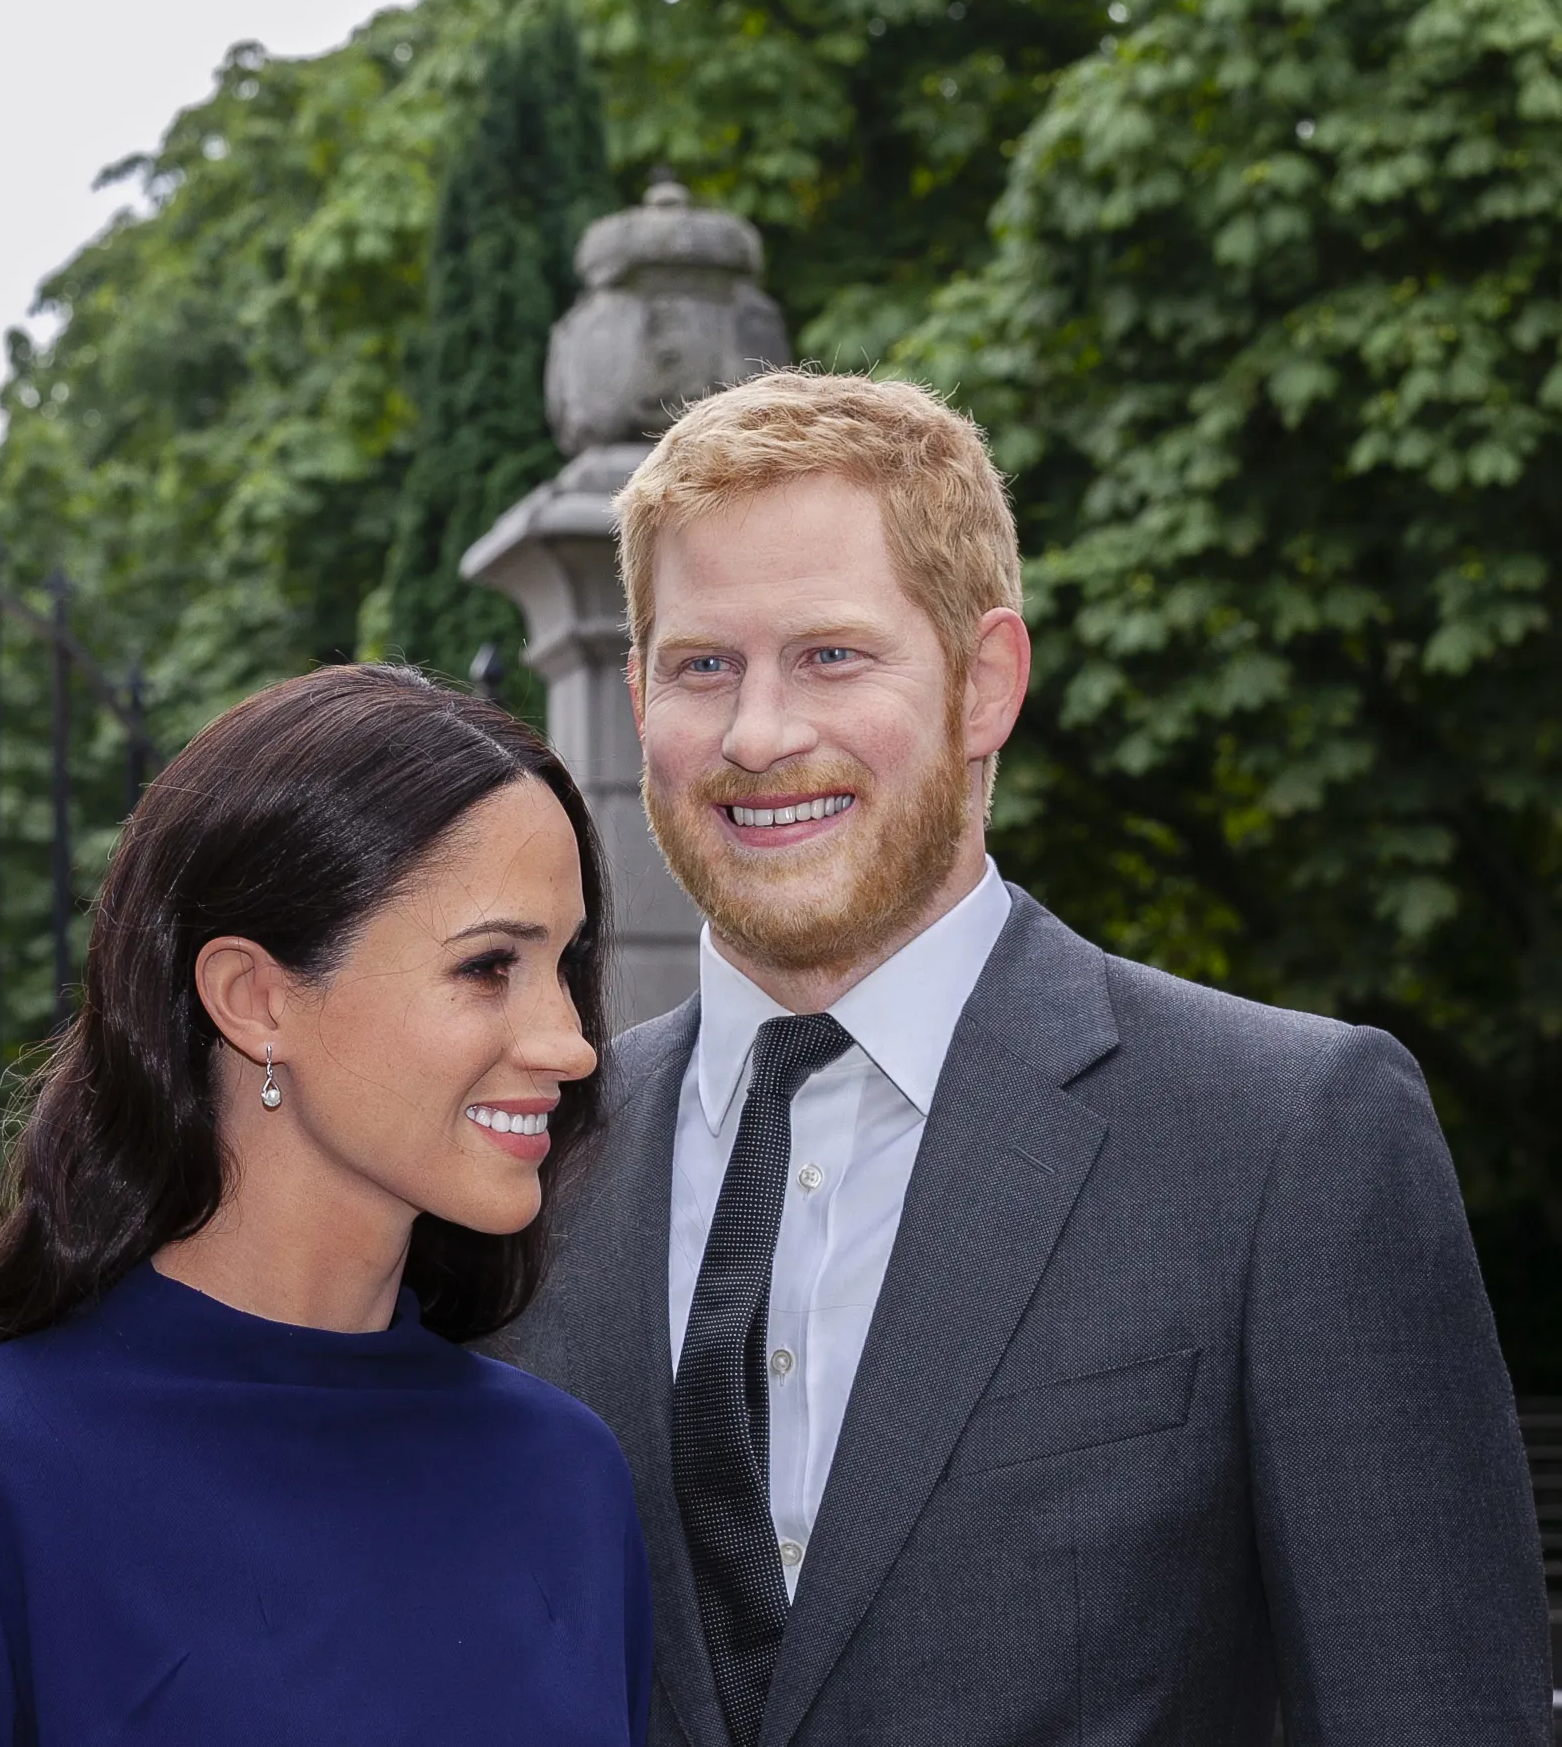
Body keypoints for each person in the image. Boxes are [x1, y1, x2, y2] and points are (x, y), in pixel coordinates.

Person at [488, 371, 1551, 1746]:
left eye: (830, 654)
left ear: (987, 681)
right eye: (705, 666)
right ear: (638, 697)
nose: (757, 734)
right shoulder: (534, 1156)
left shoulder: (1284, 1138)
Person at [0, 663, 652, 1745]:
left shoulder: (565, 1480)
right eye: (487, 967)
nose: (569, 1041)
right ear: (253, 999)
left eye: (563, 966)